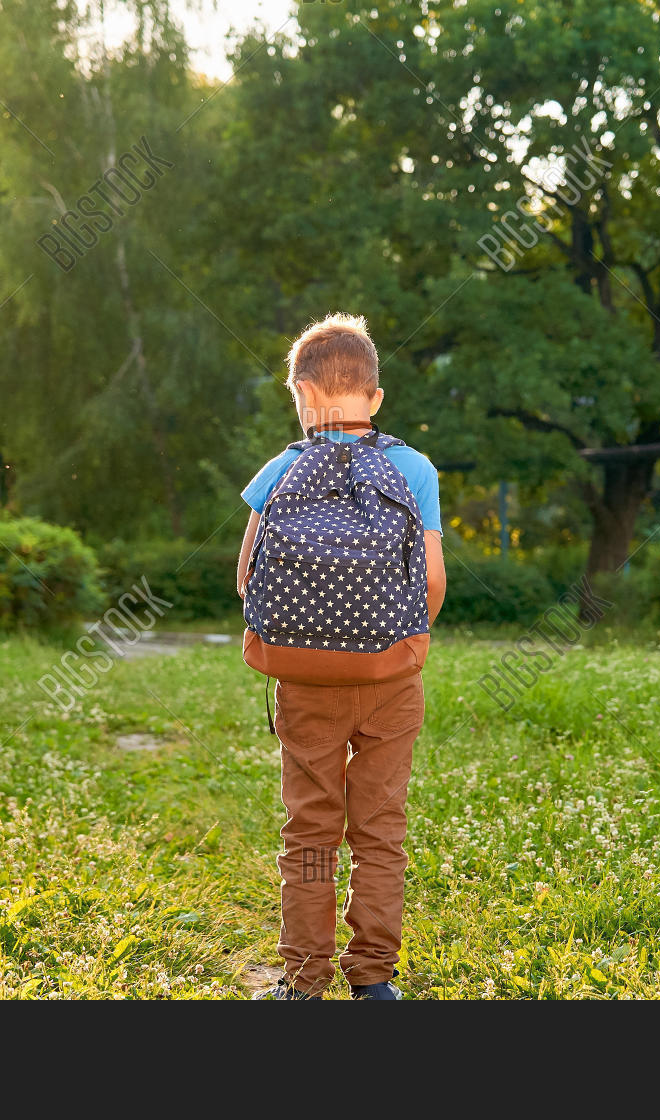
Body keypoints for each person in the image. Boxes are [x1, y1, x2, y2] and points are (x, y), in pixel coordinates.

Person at [236, 312, 445, 1000]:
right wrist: (399, 647)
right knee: (381, 829)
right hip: (392, 677)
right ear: (375, 396)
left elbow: (247, 578)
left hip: (305, 682)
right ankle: (375, 979)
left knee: (310, 830)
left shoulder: (281, 468)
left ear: (299, 393)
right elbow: (433, 581)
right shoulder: (413, 469)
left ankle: (301, 981)